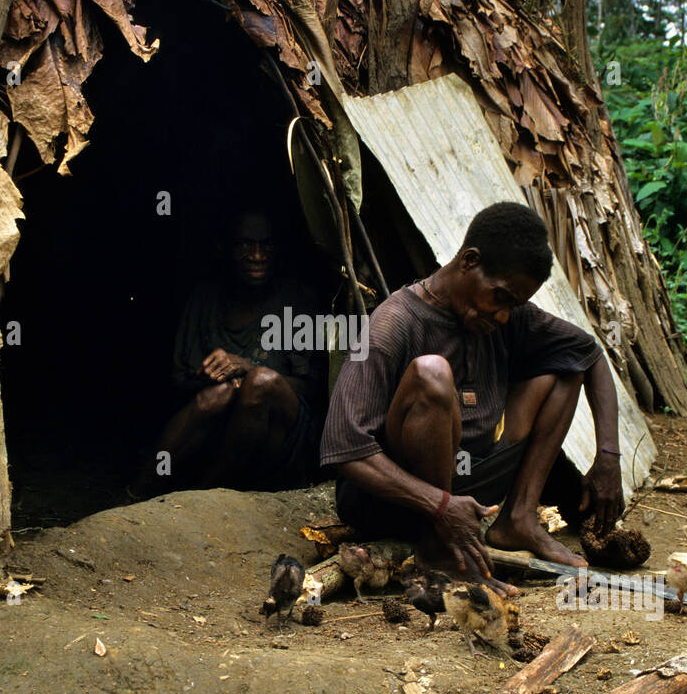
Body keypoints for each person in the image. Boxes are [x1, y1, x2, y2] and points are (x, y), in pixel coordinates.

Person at [319, 201, 623, 594]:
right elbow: (346, 449)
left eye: (513, 304)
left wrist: (609, 456)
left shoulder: (507, 316)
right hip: (395, 502)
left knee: (567, 363)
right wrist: (440, 506)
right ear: (469, 261)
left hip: (469, 485)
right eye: (499, 298)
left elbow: (591, 354)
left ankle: (519, 518)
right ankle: (439, 549)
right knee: (432, 374)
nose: (502, 315)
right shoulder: (394, 323)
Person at [128, 211, 324, 498]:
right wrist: (214, 378)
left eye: (266, 245)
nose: (257, 256)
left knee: (260, 383)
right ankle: (139, 492)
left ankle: (204, 495)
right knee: (216, 396)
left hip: (279, 437)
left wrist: (245, 369)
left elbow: (315, 390)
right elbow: (178, 383)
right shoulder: (206, 298)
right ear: (226, 249)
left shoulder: (297, 301)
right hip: (219, 430)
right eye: (245, 245)